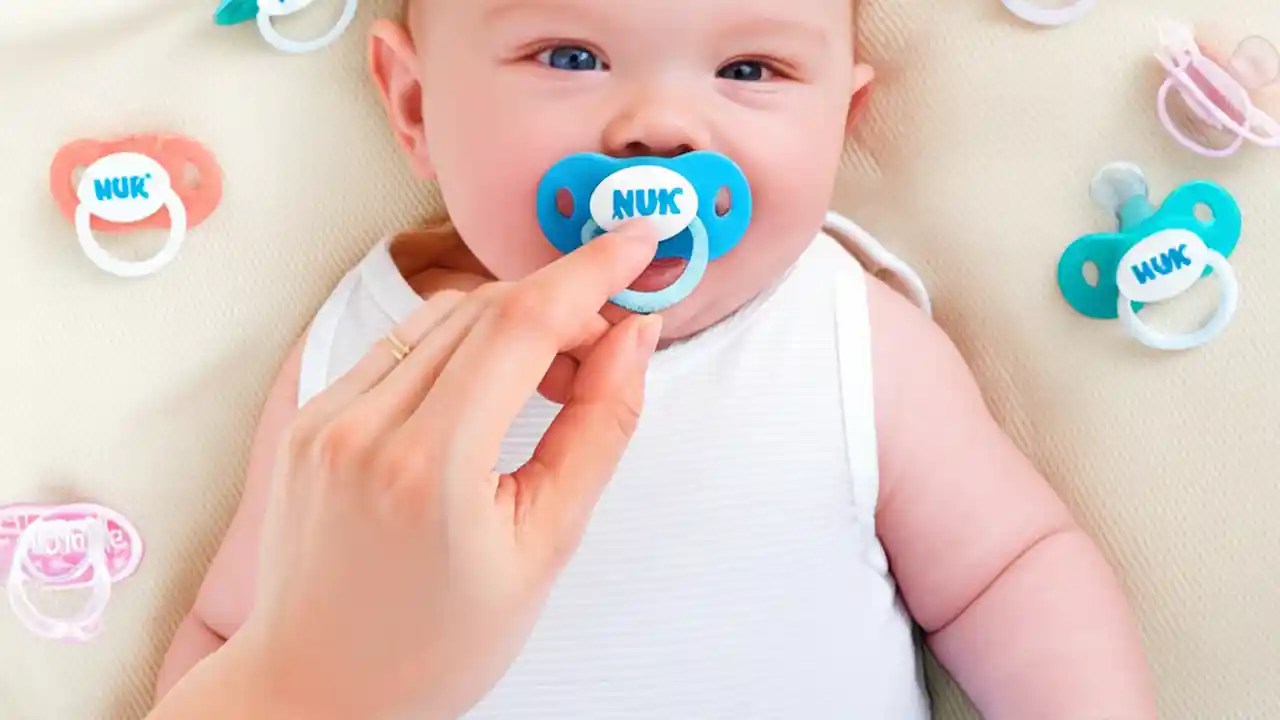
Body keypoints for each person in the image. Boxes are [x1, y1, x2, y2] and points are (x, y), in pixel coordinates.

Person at [159, 0, 1159, 716]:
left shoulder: (848, 338)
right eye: (568, 53)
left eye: (748, 71)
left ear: (838, 128)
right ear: (415, 107)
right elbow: (227, 636)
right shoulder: (365, 362)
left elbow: (1008, 572)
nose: (662, 131)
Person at [149, 225, 665, 719]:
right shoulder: (376, 351)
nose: (651, 132)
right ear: (416, 131)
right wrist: (301, 684)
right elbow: (222, 628)